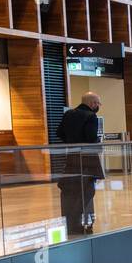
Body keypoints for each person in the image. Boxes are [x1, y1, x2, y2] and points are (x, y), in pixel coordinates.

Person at [54, 91, 104, 234]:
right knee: (87, 191)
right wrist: (97, 143)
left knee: (71, 190)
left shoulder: (69, 114)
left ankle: (70, 222)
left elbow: (59, 133)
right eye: (98, 103)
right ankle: (78, 223)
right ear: (92, 103)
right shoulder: (91, 116)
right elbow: (91, 138)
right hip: (88, 159)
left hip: (72, 156)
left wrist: (72, 142)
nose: (98, 106)